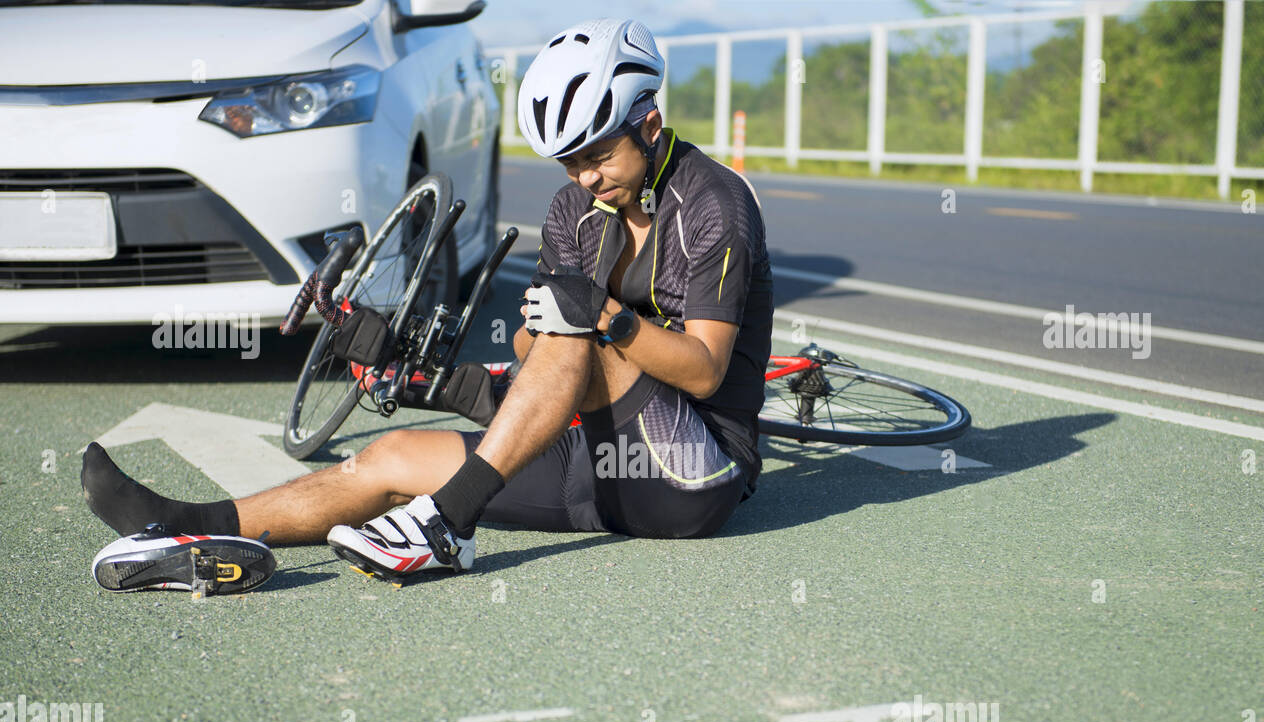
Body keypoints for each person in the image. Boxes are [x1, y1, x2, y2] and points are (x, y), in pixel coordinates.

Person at [82, 17, 774, 592]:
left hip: (693, 474)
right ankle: (185, 525)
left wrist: (604, 318)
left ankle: (447, 522)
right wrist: (543, 327)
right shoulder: (575, 210)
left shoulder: (713, 203)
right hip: (598, 465)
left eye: (598, 156)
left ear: (649, 125)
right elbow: (533, 354)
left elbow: (705, 371)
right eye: (570, 163)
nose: (586, 178)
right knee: (390, 456)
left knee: (575, 324)